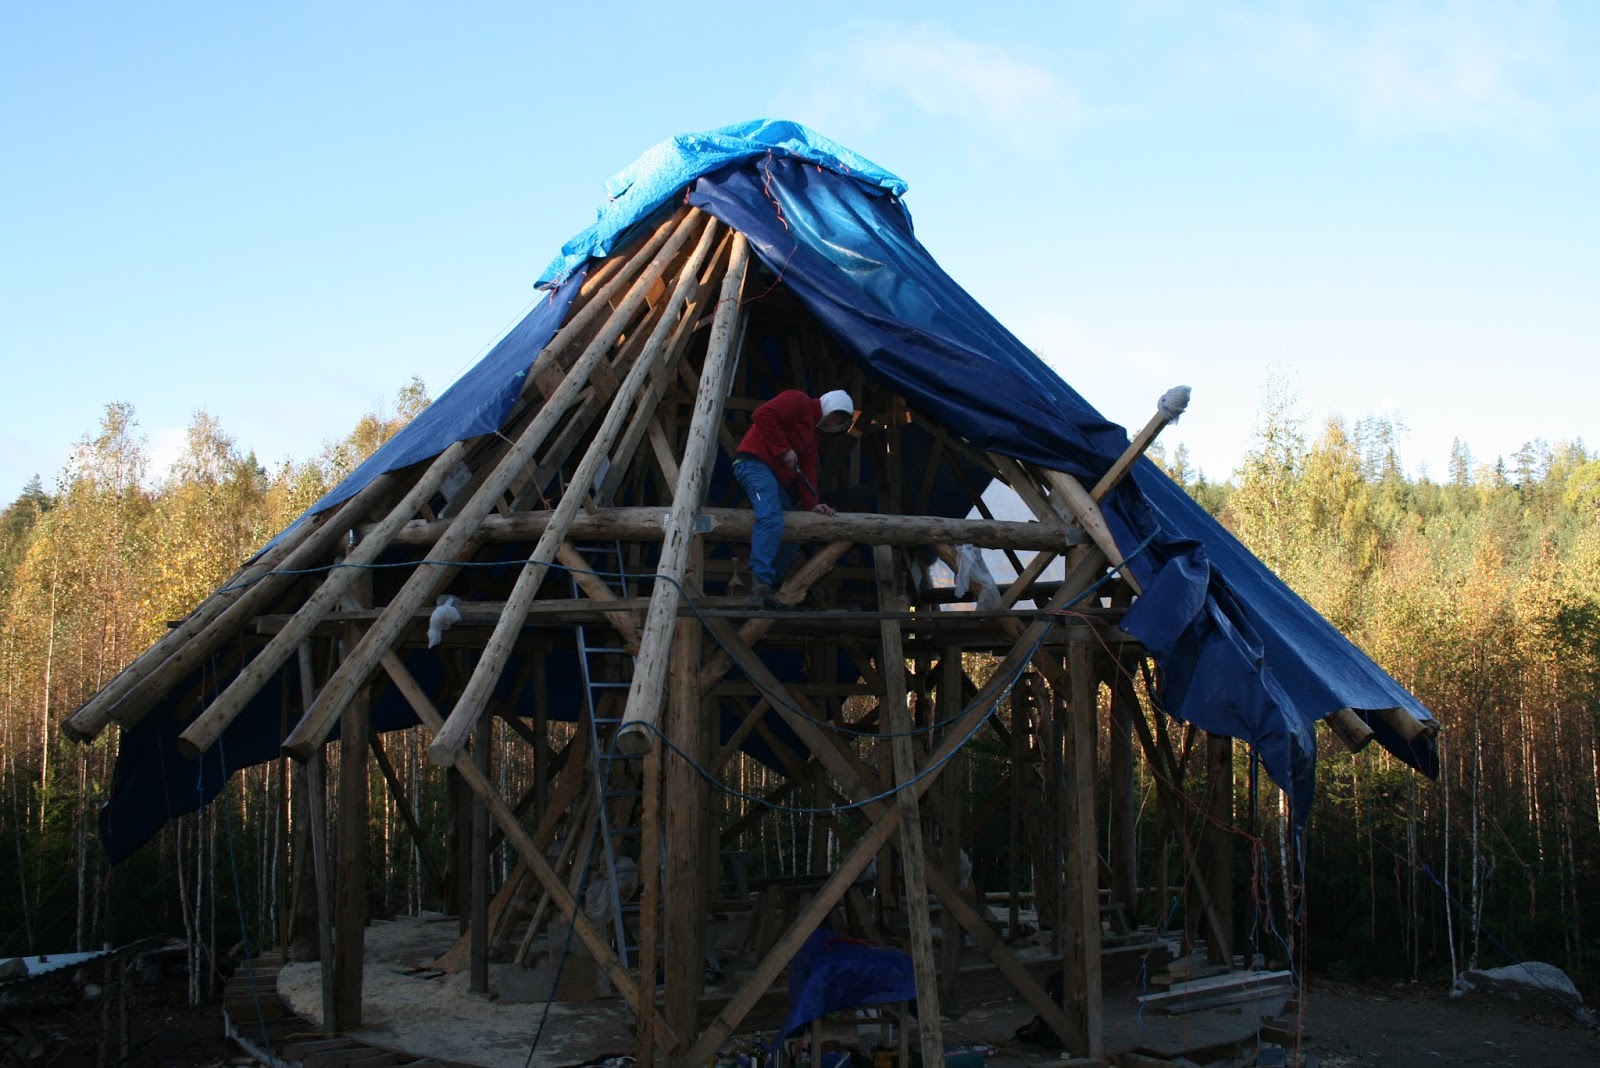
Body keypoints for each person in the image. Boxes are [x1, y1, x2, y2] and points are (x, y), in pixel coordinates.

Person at [732, 388, 855, 608]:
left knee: (792, 533)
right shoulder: (799, 401)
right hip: (752, 463)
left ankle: (770, 585)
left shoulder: (812, 436)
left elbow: (807, 469)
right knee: (770, 517)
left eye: (838, 421)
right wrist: (783, 449)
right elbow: (761, 414)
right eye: (835, 416)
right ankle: (761, 582)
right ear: (828, 407)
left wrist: (812, 505)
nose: (833, 422)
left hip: (772, 480)